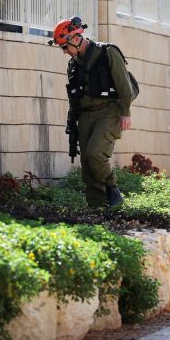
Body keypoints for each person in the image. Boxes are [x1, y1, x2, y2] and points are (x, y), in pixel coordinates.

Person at [50, 16, 135, 208]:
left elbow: (125, 87)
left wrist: (125, 112)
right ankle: (97, 208)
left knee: (95, 155)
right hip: (85, 115)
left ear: (76, 38)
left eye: (65, 47)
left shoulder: (108, 53)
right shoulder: (73, 64)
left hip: (109, 112)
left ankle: (113, 188)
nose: (64, 52)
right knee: (87, 167)